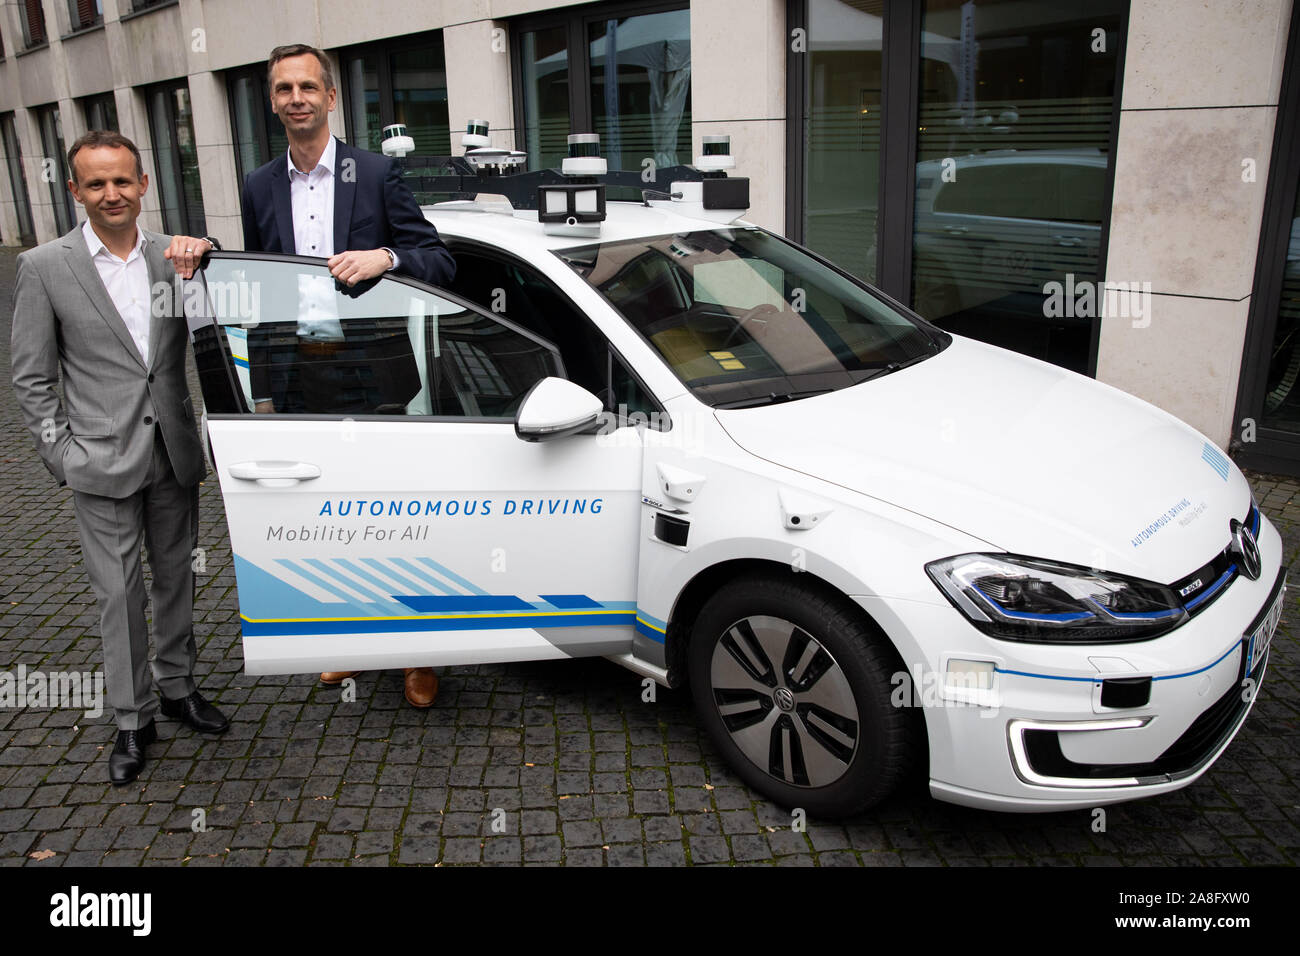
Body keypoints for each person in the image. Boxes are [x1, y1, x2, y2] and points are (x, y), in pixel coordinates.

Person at [10, 130, 229, 785]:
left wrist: (201, 268)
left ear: (143, 186)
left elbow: (212, 335)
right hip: (98, 461)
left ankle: (178, 688)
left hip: (172, 451)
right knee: (118, 593)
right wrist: (62, 456)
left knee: (176, 580)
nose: (112, 194)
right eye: (96, 184)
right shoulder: (45, 265)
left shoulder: (174, 254)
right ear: (74, 190)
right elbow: (30, 376)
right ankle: (133, 720)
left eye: (122, 181)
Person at [240, 42, 456, 707]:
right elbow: (258, 284)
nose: (296, 98)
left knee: (395, 518)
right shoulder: (258, 186)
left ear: (331, 98)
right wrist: (265, 392)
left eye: (309, 86)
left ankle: (418, 656)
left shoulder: (377, 172)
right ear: (272, 102)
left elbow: (438, 259)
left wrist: (385, 256)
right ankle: (351, 641)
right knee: (327, 521)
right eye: (284, 89)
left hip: (376, 374)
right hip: (304, 376)